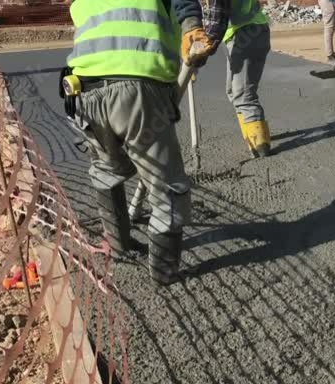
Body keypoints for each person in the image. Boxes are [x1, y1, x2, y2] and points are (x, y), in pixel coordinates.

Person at [65, 0, 216, 285]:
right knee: (168, 190)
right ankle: (164, 273)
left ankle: (119, 246)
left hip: (84, 93)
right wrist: (193, 29)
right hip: (138, 91)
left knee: (106, 170)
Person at [207, 0, 273, 157]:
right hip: (257, 30)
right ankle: (252, 133)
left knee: (244, 94)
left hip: (244, 34)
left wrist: (203, 49)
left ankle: (260, 147)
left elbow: (217, 22)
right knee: (232, 90)